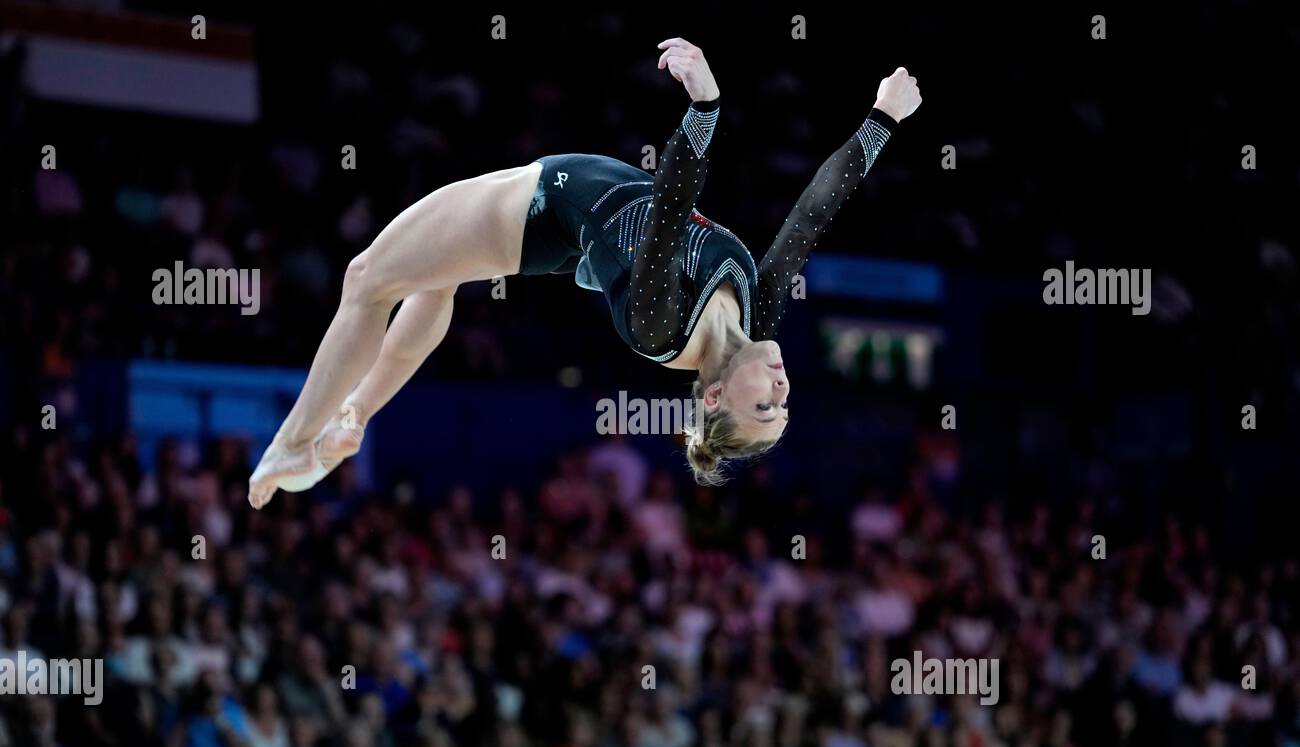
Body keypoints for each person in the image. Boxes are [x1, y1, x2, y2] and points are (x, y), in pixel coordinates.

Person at [248, 38, 921, 505]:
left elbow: (666, 215)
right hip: (580, 227)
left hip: (540, 204)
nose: (782, 387)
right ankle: (354, 414)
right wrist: (882, 119)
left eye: (764, 406)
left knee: (367, 280)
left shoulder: (662, 331)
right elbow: (808, 218)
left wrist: (706, 108)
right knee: (433, 280)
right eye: (786, 403)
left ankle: (292, 444)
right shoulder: (758, 313)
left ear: (713, 397)